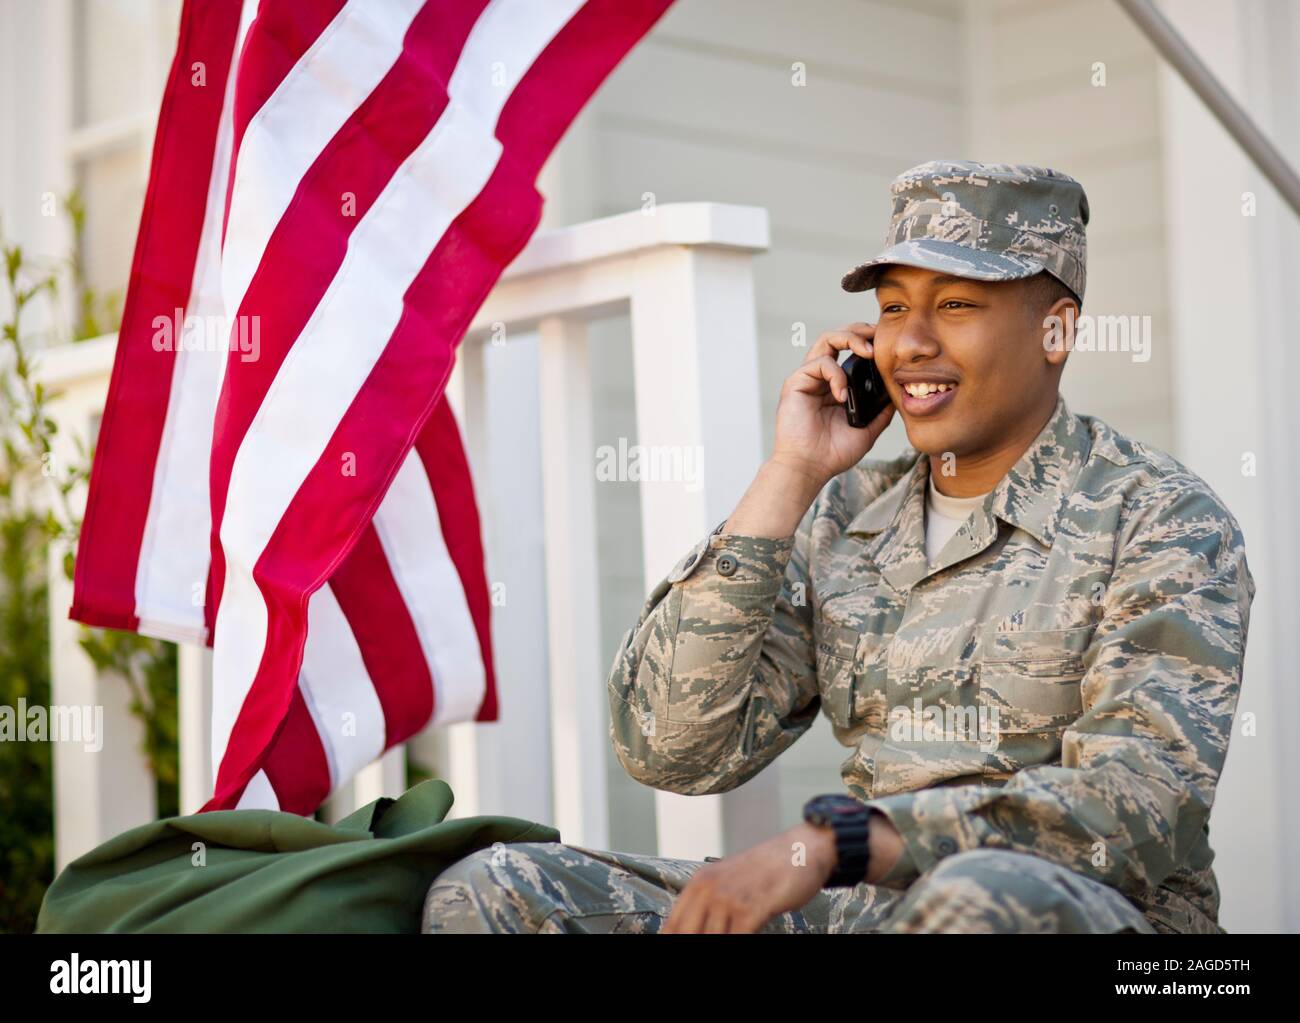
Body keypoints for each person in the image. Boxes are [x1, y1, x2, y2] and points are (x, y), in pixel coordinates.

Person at [423, 159, 1255, 934]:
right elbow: (670, 745)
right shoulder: (851, 510)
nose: (911, 343)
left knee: (977, 900)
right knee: (496, 889)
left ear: (1055, 330)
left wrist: (837, 842)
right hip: (864, 910)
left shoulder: (1158, 517)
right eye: (894, 306)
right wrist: (792, 473)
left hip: (1096, 928)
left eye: (957, 305)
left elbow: (1138, 807)